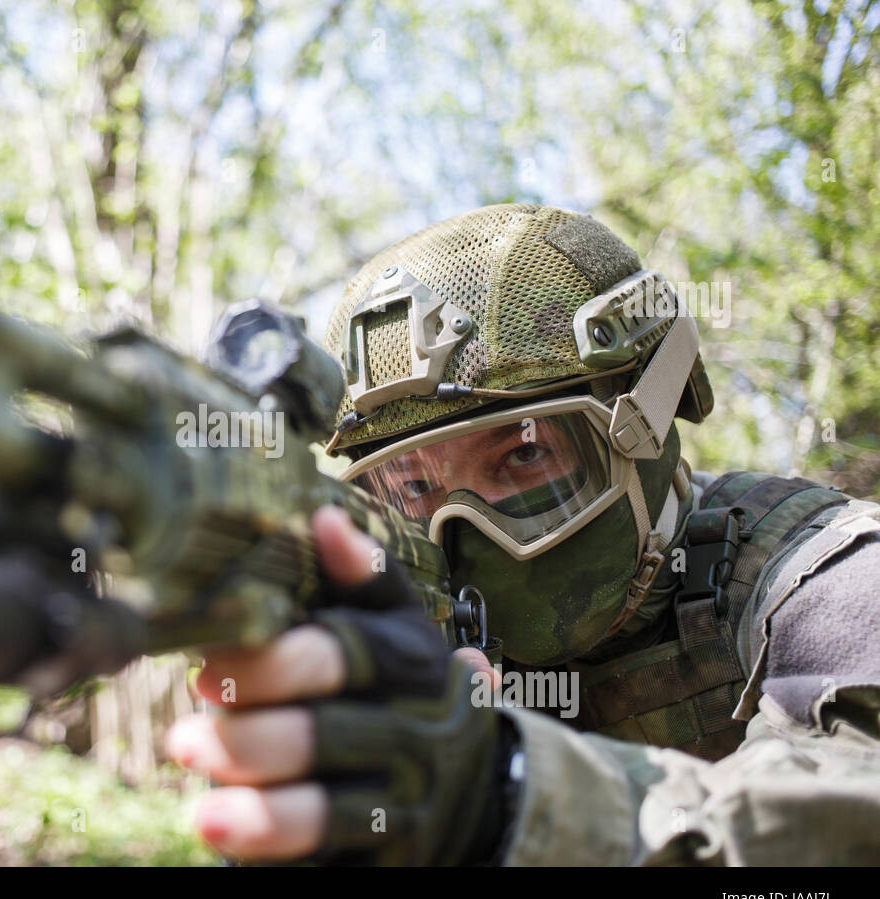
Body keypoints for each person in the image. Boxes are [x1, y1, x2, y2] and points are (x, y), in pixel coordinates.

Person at [164, 203, 880, 865]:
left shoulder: (825, 578)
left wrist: (501, 798)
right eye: (413, 488)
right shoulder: (418, 642)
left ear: (647, 431)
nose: (461, 534)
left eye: (525, 454)